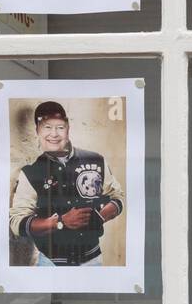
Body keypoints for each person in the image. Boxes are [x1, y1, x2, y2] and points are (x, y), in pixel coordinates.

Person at [8, 100, 124, 267]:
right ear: (38, 131)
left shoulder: (95, 160)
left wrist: (101, 217)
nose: (53, 134)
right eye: (47, 127)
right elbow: (16, 223)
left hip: (93, 261)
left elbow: (117, 196)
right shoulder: (30, 173)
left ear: (68, 128)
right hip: (50, 264)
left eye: (59, 127)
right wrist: (60, 222)